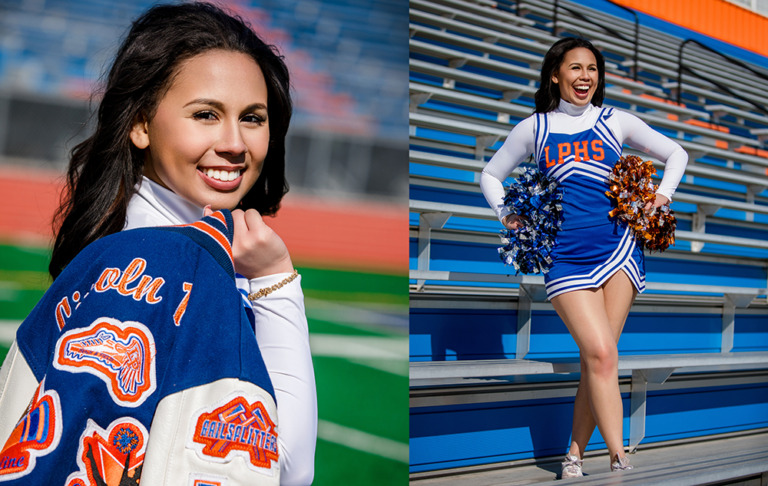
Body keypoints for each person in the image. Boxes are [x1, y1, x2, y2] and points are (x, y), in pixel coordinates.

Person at [0, 3, 316, 484]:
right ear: (141, 124)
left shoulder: (119, 246)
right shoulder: (177, 260)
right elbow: (286, 468)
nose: (234, 142)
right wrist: (277, 285)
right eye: (206, 114)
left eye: (253, 118)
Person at [480, 37, 687, 478]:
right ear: (555, 74)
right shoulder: (534, 128)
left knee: (600, 360)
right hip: (566, 257)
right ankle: (620, 459)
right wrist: (507, 214)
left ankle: (575, 452)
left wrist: (662, 197)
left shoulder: (615, 120)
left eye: (592, 69)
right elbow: (491, 174)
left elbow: (676, 153)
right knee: (600, 353)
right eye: (575, 68)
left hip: (619, 251)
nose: (585, 77)